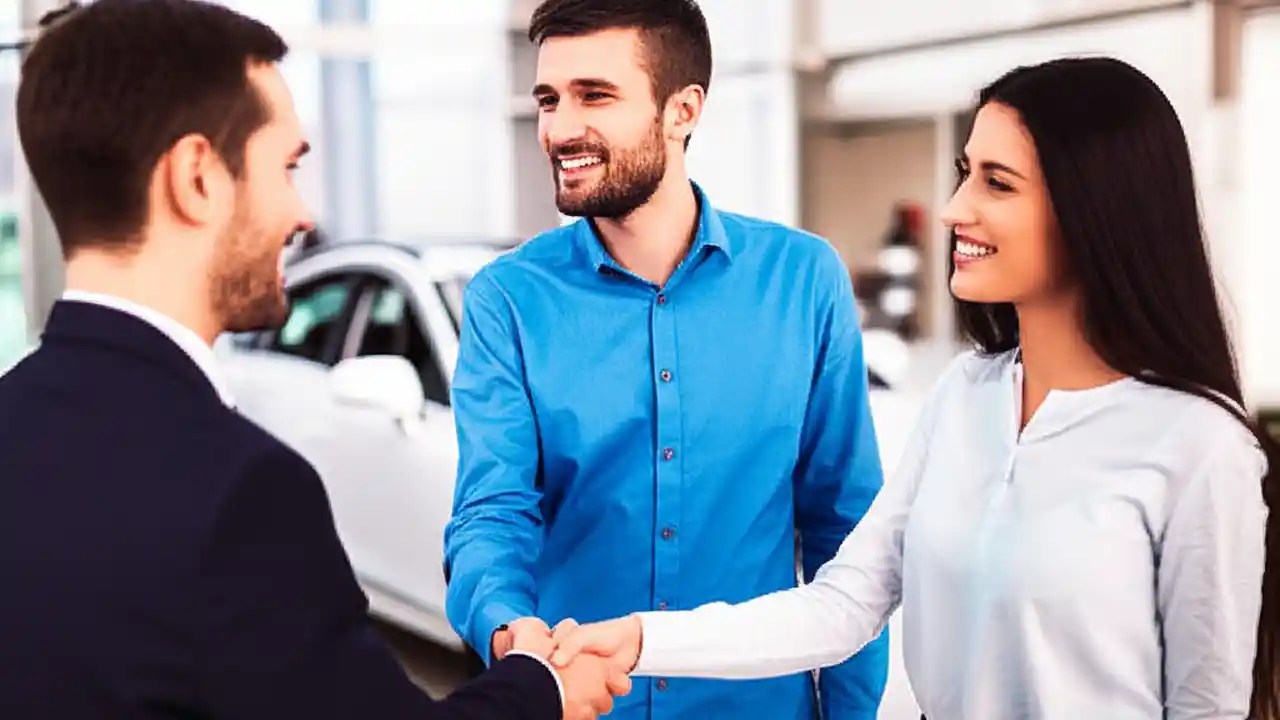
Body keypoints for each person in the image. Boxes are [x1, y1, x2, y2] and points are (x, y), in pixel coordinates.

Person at [546, 57, 1280, 720]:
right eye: (966, 172)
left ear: (1094, 210)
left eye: (998, 183)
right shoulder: (968, 395)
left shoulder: (1199, 446)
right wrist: (640, 640)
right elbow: (840, 606)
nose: (957, 207)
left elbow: (1207, 709)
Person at [0, 2, 626, 718]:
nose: (303, 215)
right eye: (288, 167)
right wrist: (544, 688)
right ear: (197, 177)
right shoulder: (242, 495)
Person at [443, 1, 889, 718]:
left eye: (595, 95)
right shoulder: (508, 300)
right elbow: (492, 512)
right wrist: (509, 632)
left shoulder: (803, 281)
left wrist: (849, 712)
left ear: (683, 110)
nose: (559, 129)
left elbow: (846, 530)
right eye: (549, 100)